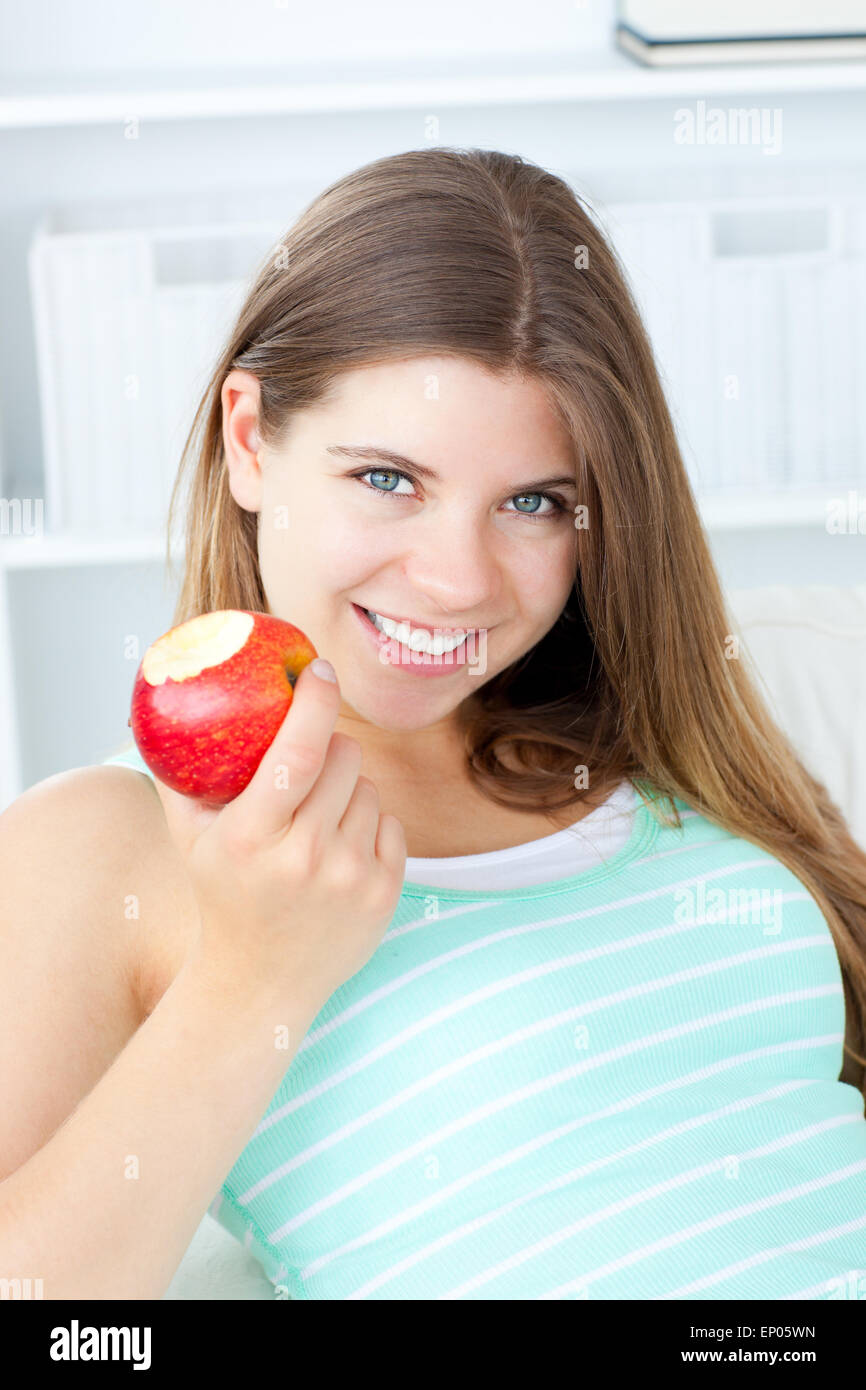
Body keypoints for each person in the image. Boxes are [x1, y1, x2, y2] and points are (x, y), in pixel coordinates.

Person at [3, 147, 866, 1302]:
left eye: (531, 503)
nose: (457, 581)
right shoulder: (109, 844)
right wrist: (256, 977)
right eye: (387, 480)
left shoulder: (670, 741)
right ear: (250, 439)